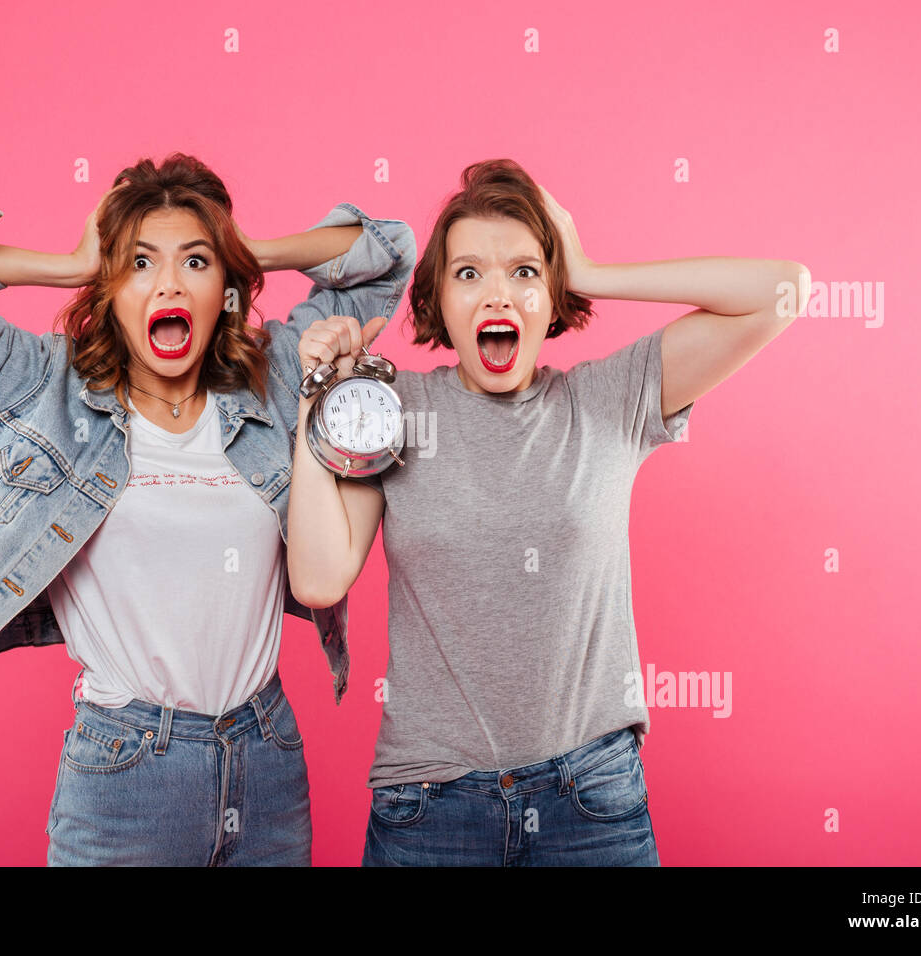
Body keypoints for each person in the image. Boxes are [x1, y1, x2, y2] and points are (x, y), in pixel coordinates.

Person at [0, 153, 416, 865]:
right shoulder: (34, 386)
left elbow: (389, 250)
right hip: (126, 775)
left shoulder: (272, 381)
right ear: (108, 288)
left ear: (226, 289)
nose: (169, 284)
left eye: (196, 262)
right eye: (140, 263)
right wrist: (67, 262)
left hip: (266, 759)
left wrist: (246, 248)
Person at [287, 157, 809, 866]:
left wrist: (589, 269)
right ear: (437, 300)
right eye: (468, 274)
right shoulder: (394, 410)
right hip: (430, 809)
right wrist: (318, 397)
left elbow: (782, 291)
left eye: (525, 273)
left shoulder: (608, 401)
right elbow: (318, 579)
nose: (496, 294)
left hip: (590, 803)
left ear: (553, 298)